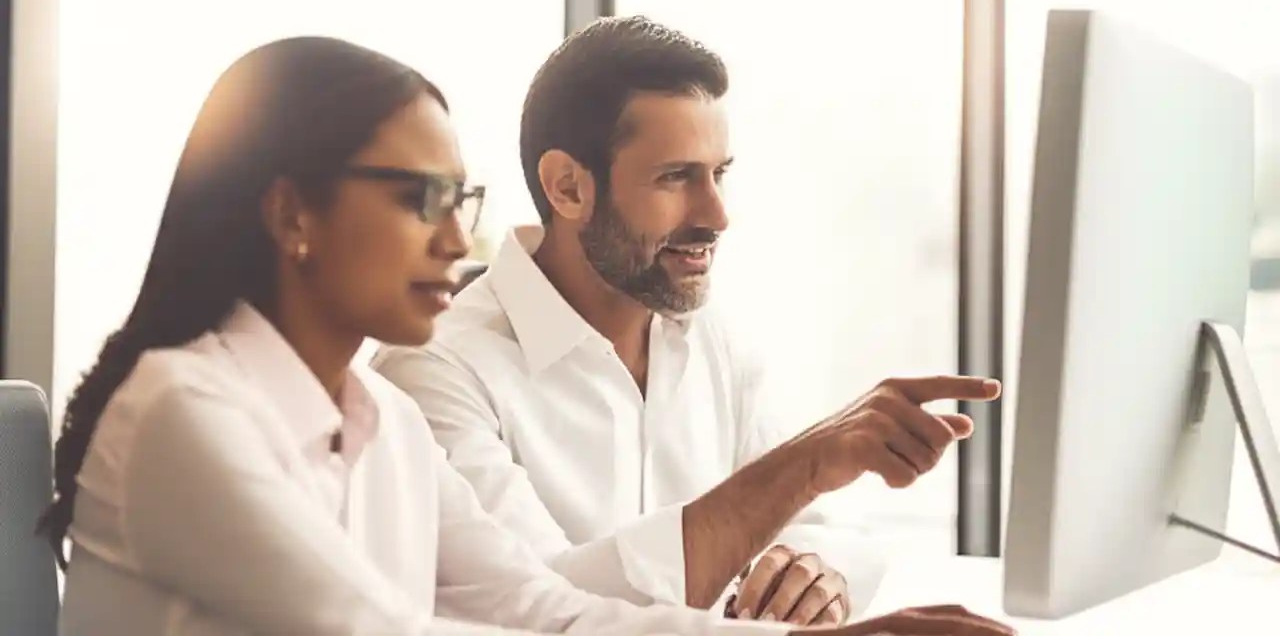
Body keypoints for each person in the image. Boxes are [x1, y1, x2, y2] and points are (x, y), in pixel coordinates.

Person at [42, 35, 1014, 636]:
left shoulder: (380, 418)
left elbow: (545, 613)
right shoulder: (183, 411)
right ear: (293, 213)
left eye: (456, 200)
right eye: (418, 199)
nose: (454, 240)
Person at [373, 15, 1000, 627]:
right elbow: (542, 611)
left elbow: (814, 525)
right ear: (567, 188)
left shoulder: (709, 337)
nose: (717, 214)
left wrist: (813, 576)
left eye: (719, 173)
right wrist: (805, 465)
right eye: (675, 177)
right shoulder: (433, 372)